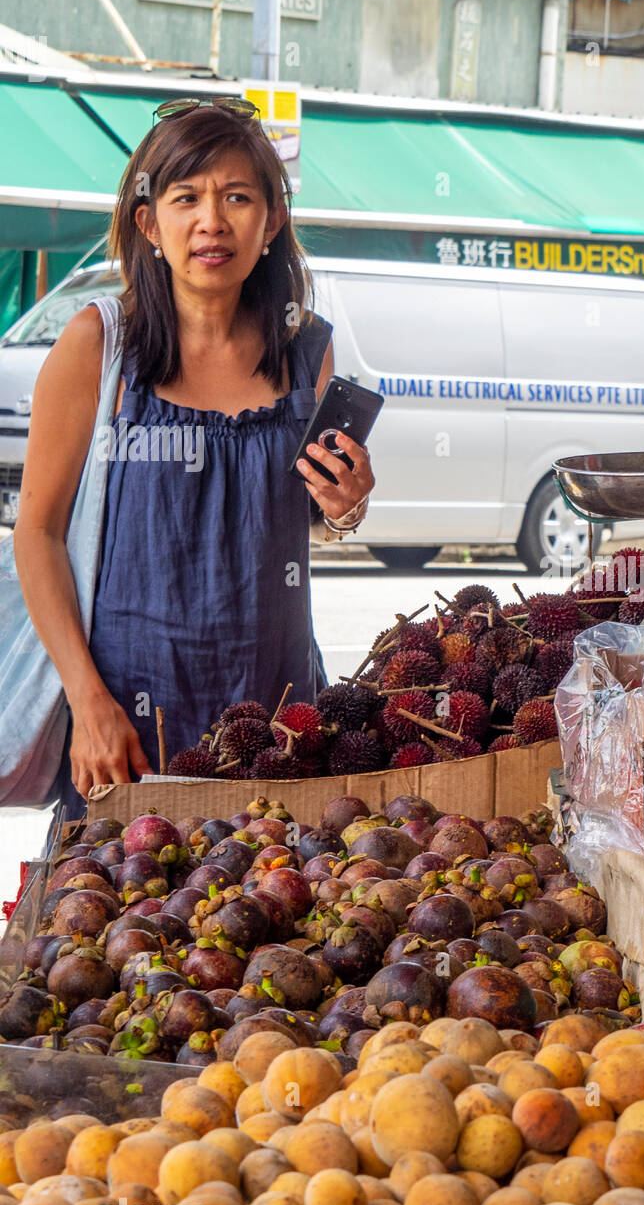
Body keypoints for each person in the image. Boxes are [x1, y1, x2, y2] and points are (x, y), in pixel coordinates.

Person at [13, 97, 374, 817]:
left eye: (238, 197)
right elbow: (38, 534)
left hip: (277, 714)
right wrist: (87, 702)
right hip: (128, 722)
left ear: (271, 221)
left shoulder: (308, 350)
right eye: (187, 198)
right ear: (150, 223)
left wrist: (348, 504)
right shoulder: (99, 347)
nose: (212, 221)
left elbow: (314, 515)